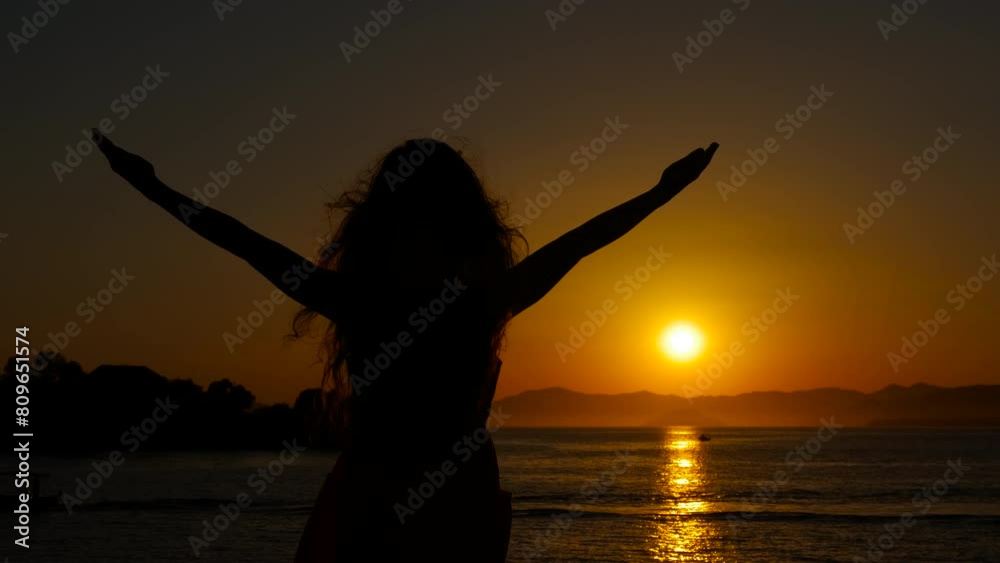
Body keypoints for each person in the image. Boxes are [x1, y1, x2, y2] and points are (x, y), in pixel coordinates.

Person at [93, 129, 718, 561]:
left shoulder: (414, 301)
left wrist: (662, 193)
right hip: (406, 499)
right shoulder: (471, 300)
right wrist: (661, 193)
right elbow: (242, 240)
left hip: (422, 502)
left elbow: (583, 240)